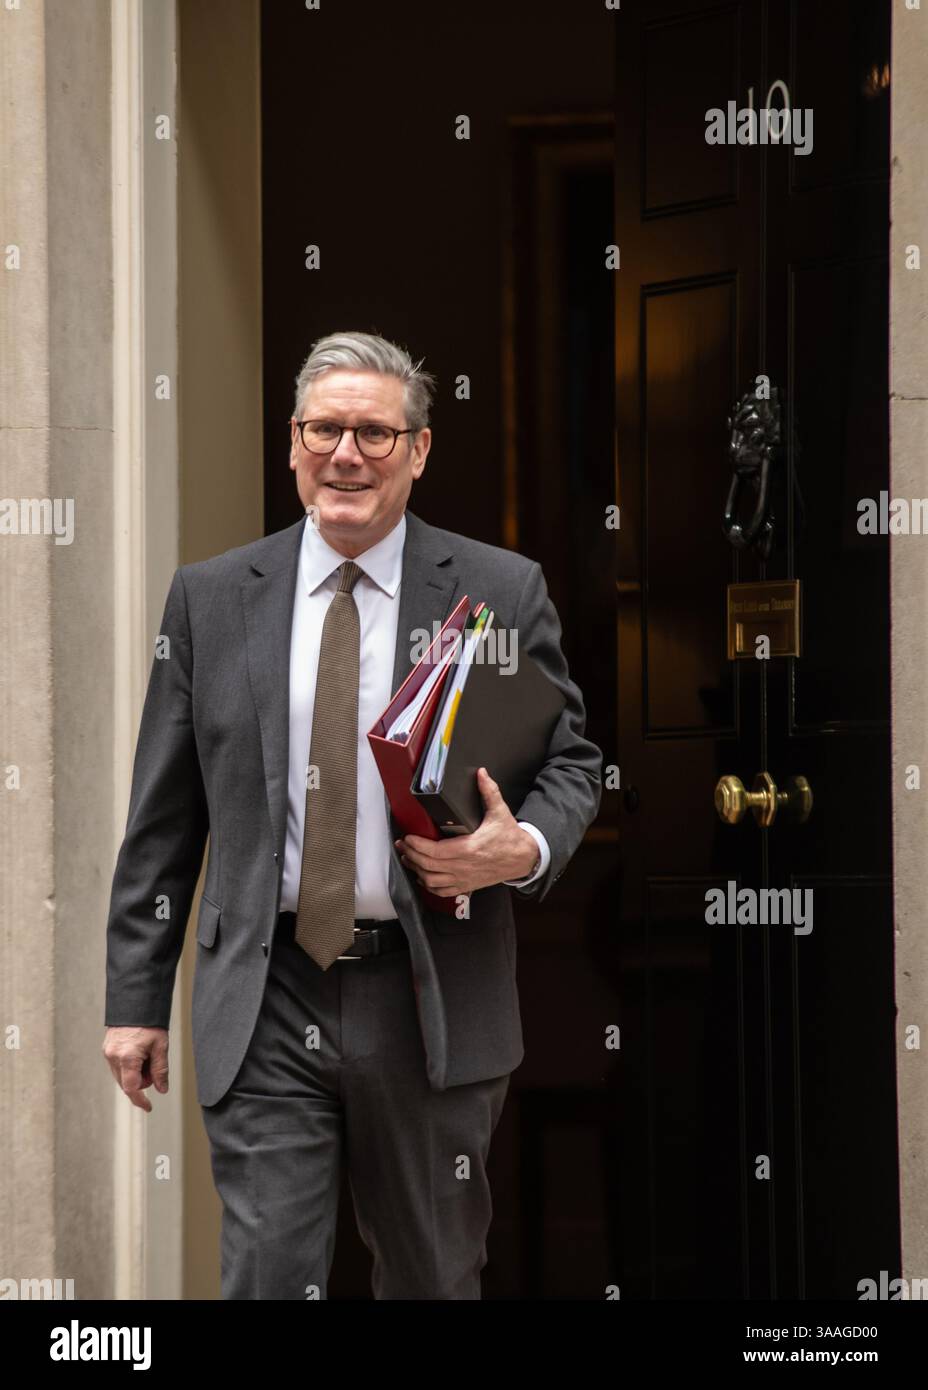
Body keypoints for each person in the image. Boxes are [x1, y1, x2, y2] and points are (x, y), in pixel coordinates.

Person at [102, 329, 602, 1299]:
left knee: (431, 1275)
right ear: (291, 444)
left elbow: (571, 764)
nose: (345, 455)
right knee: (267, 1275)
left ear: (418, 451)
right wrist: (134, 999)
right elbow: (162, 817)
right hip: (264, 989)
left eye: (374, 434)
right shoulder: (210, 600)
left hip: (429, 995)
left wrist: (520, 848)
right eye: (324, 429)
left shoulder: (497, 590)